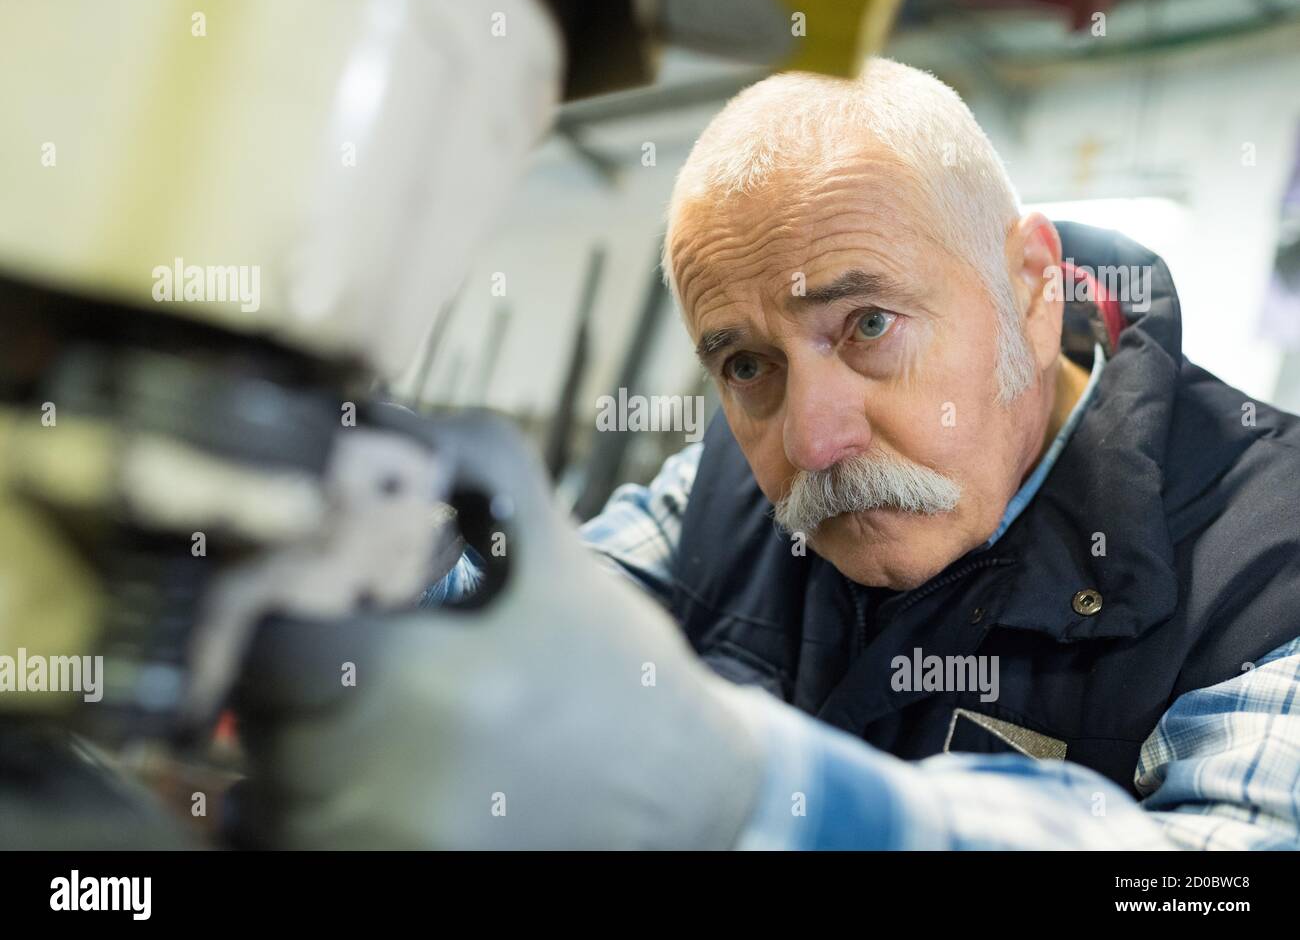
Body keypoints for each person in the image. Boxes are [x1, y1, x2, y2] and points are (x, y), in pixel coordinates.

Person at [246, 58, 1300, 849]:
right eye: (746, 363)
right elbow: (554, 611)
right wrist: (372, 584)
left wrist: (752, 793)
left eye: (868, 324)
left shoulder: (1269, 564)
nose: (812, 439)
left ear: (1030, 290)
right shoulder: (723, 489)